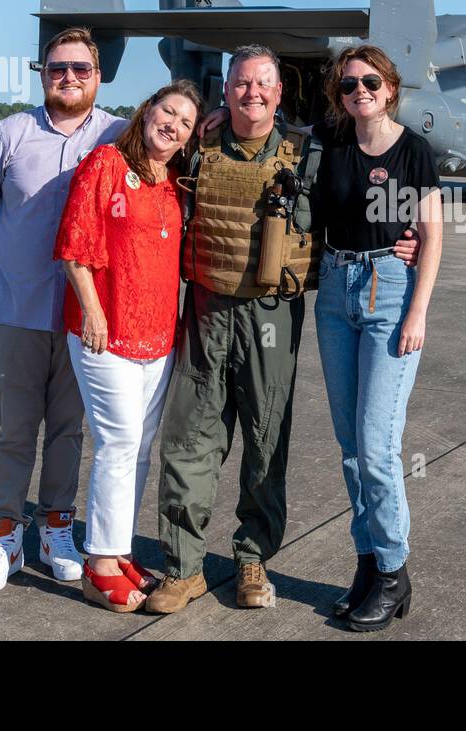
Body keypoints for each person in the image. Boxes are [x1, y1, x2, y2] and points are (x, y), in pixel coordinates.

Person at [148, 44, 418, 614]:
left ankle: (252, 558)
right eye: (241, 84)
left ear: (279, 91)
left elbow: (364, 189)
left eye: (263, 84)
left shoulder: (309, 148)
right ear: (226, 91)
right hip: (206, 307)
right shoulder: (196, 145)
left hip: (272, 314)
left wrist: (407, 241)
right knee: (191, 438)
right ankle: (183, 567)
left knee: (266, 439)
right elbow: (144, 159)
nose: (252, 93)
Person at [0, 27, 126, 593]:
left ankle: (57, 526)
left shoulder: (120, 137)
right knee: (14, 431)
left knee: (70, 430)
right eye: (58, 67)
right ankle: (4, 533)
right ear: (42, 72)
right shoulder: (7, 135)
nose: (69, 77)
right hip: (19, 309)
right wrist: (22, 239)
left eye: (81, 68)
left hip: (88, 318)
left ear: (98, 76)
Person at [54, 80, 200, 612]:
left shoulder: (174, 181)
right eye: (168, 112)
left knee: (139, 447)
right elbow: (75, 245)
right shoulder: (106, 164)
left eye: (185, 122)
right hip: (106, 332)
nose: (173, 125)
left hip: (159, 336)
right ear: (146, 111)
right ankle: (98, 565)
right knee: (118, 443)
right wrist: (92, 309)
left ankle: (118, 551)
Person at [312, 45, 443, 632]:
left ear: (390, 88)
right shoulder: (334, 141)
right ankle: (367, 566)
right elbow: (268, 122)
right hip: (335, 291)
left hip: (389, 291)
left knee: (377, 444)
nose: (358, 91)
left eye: (370, 82)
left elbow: (434, 234)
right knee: (347, 443)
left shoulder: (413, 151)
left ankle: (394, 571)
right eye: (348, 85)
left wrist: (418, 311)